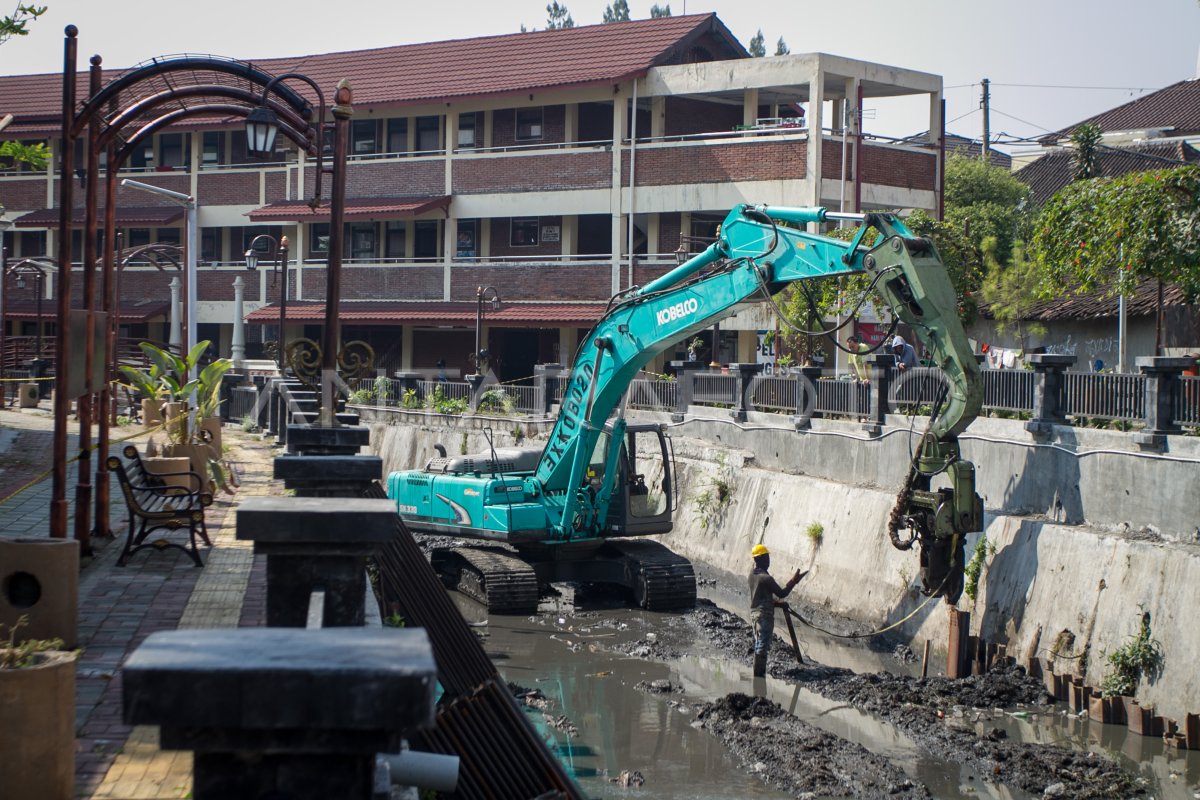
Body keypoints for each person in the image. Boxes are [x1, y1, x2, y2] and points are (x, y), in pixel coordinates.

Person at [748, 543, 805, 677]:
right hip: (764, 616)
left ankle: (758, 678)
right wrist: (794, 581)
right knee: (762, 646)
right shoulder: (766, 578)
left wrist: (775, 602)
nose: (769, 560)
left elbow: (761, 595)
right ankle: (759, 678)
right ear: (760, 559)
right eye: (766, 557)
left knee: (758, 643)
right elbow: (782, 593)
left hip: (754, 615)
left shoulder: (752, 574)